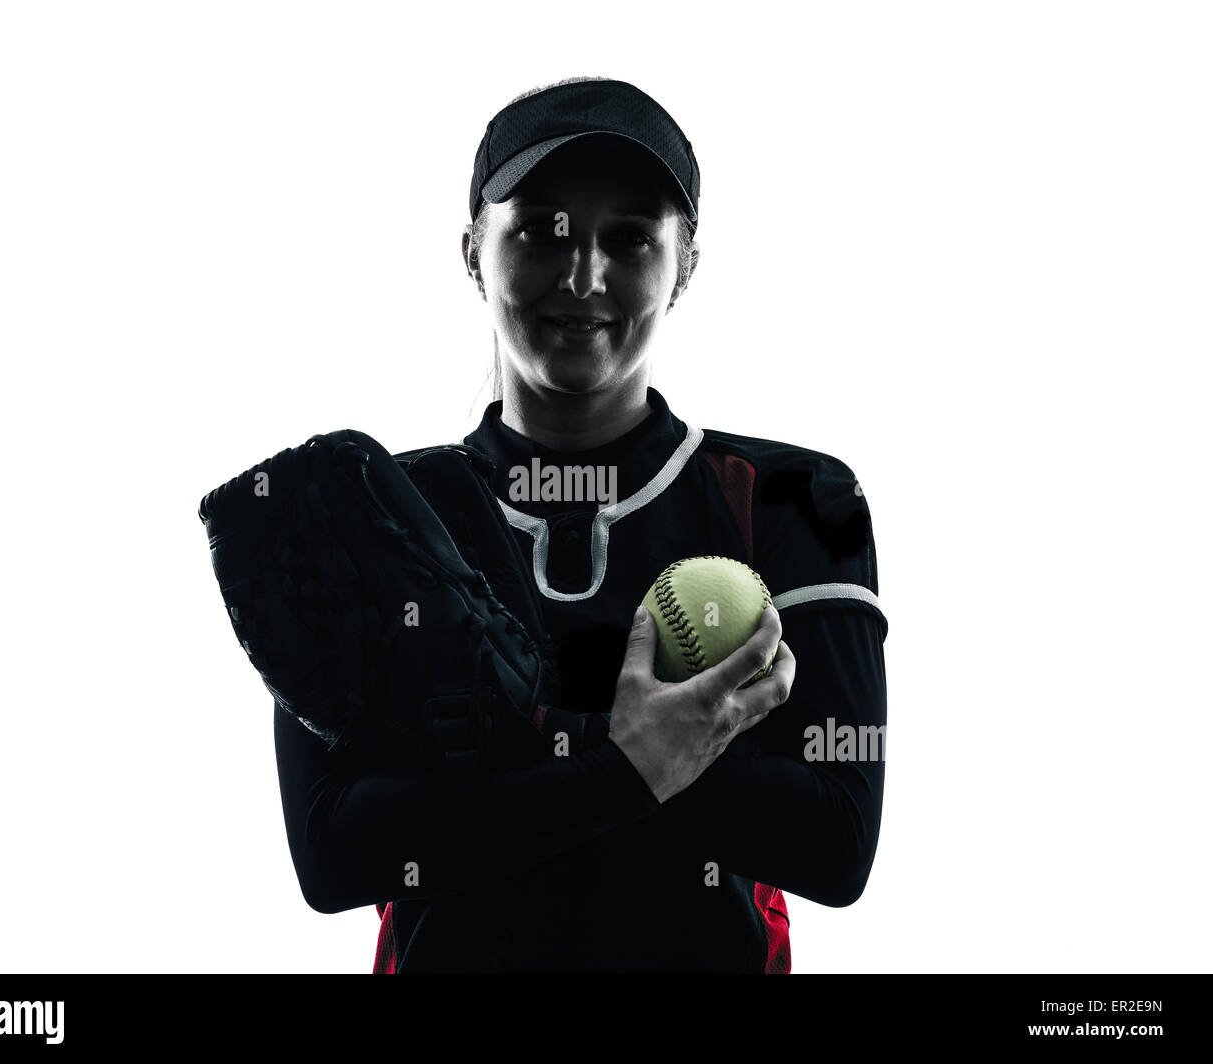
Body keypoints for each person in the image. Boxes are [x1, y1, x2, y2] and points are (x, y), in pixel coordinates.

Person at [273, 77, 888, 973]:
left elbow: (837, 843)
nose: (583, 275)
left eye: (631, 237)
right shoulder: (366, 514)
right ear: (472, 251)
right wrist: (628, 763)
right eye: (537, 229)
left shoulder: (797, 496)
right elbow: (333, 854)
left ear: (685, 265)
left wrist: (517, 758)